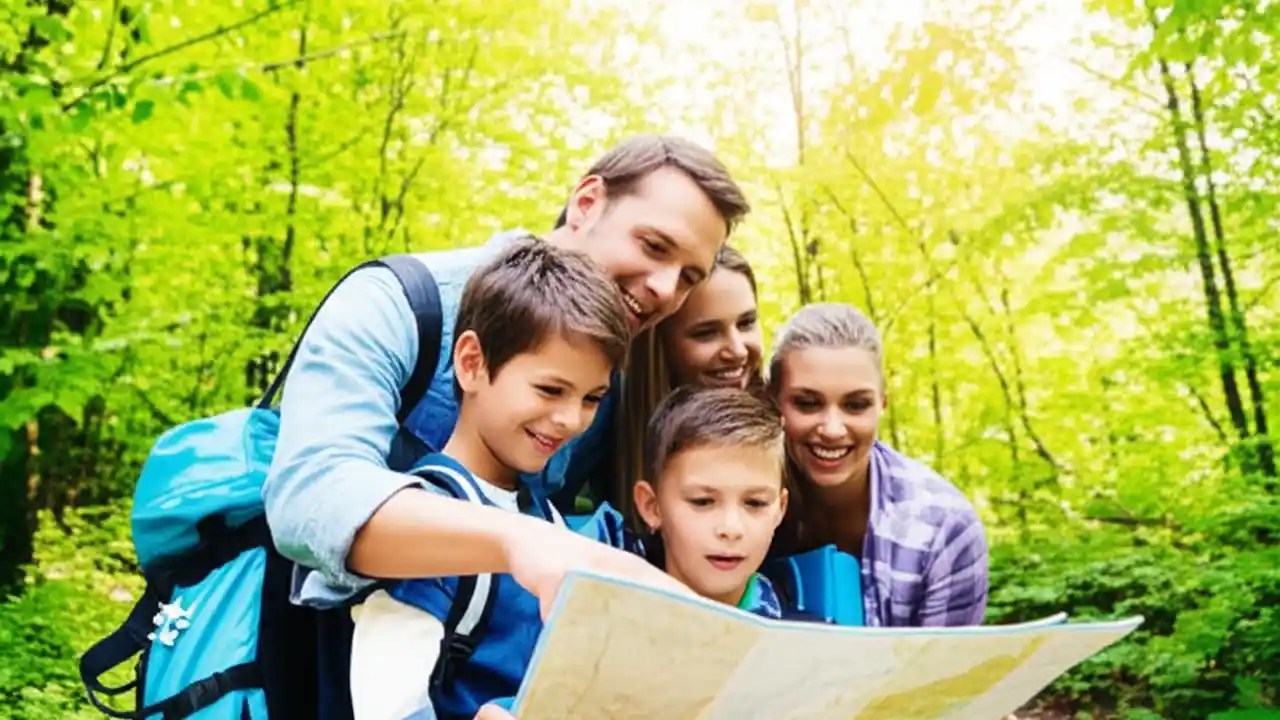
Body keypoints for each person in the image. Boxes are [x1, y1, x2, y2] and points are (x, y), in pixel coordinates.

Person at [261, 135, 750, 716]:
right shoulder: (393, 306)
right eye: (652, 245)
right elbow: (309, 498)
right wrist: (518, 541)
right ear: (587, 202)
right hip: (306, 674)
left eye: (689, 276)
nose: (666, 289)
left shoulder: (609, 387)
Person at [348, 237, 631, 720]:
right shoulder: (431, 523)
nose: (571, 420)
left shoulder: (546, 518)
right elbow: (384, 706)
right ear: (472, 363)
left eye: (591, 399)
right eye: (550, 389)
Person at [479, 385, 790, 716]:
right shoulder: (599, 614)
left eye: (755, 503)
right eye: (702, 501)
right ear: (651, 506)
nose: (731, 528)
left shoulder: (796, 646)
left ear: (780, 509)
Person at [766, 302, 989, 627]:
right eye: (807, 403)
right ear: (774, 402)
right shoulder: (736, 503)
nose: (832, 428)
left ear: (882, 404)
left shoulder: (943, 529)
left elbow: (947, 676)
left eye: (856, 405)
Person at [592, 245, 766, 523]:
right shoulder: (599, 423)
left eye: (746, 323)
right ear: (658, 346)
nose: (738, 350)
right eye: (706, 333)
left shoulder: (786, 422)